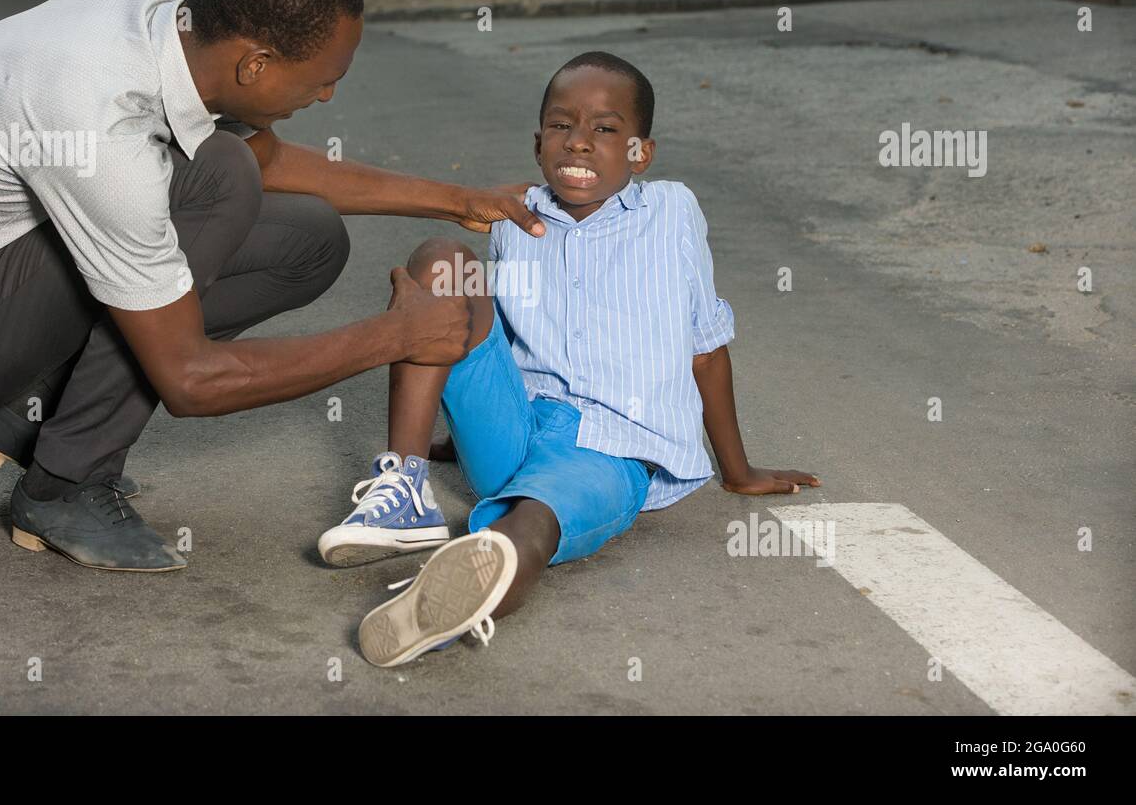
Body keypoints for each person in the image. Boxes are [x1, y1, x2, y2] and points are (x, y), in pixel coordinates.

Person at [0, 0, 544, 573]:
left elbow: (272, 162)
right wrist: (396, 335)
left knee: (307, 239)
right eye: (322, 77)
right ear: (256, 64)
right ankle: (63, 485)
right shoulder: (97, 123)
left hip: (4, 260)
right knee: (222, 178)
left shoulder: (182, 17)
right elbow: (189, 379)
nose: (330, 94)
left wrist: (459, 200)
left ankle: (31, 408)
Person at [316, 52, 820, 667]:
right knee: (440, 257)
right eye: (561, 126)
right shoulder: (515, 218)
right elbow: (485, 334)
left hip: (611, 449)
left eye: (605, 130)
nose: (578, 142)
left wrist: (735, 469)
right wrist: (457, 424)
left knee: (534, 525)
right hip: (515, 429)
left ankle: (450, 601)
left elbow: (706, 347)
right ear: (538, 143)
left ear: (640, 152)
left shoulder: (670, 213)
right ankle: (406, 485)